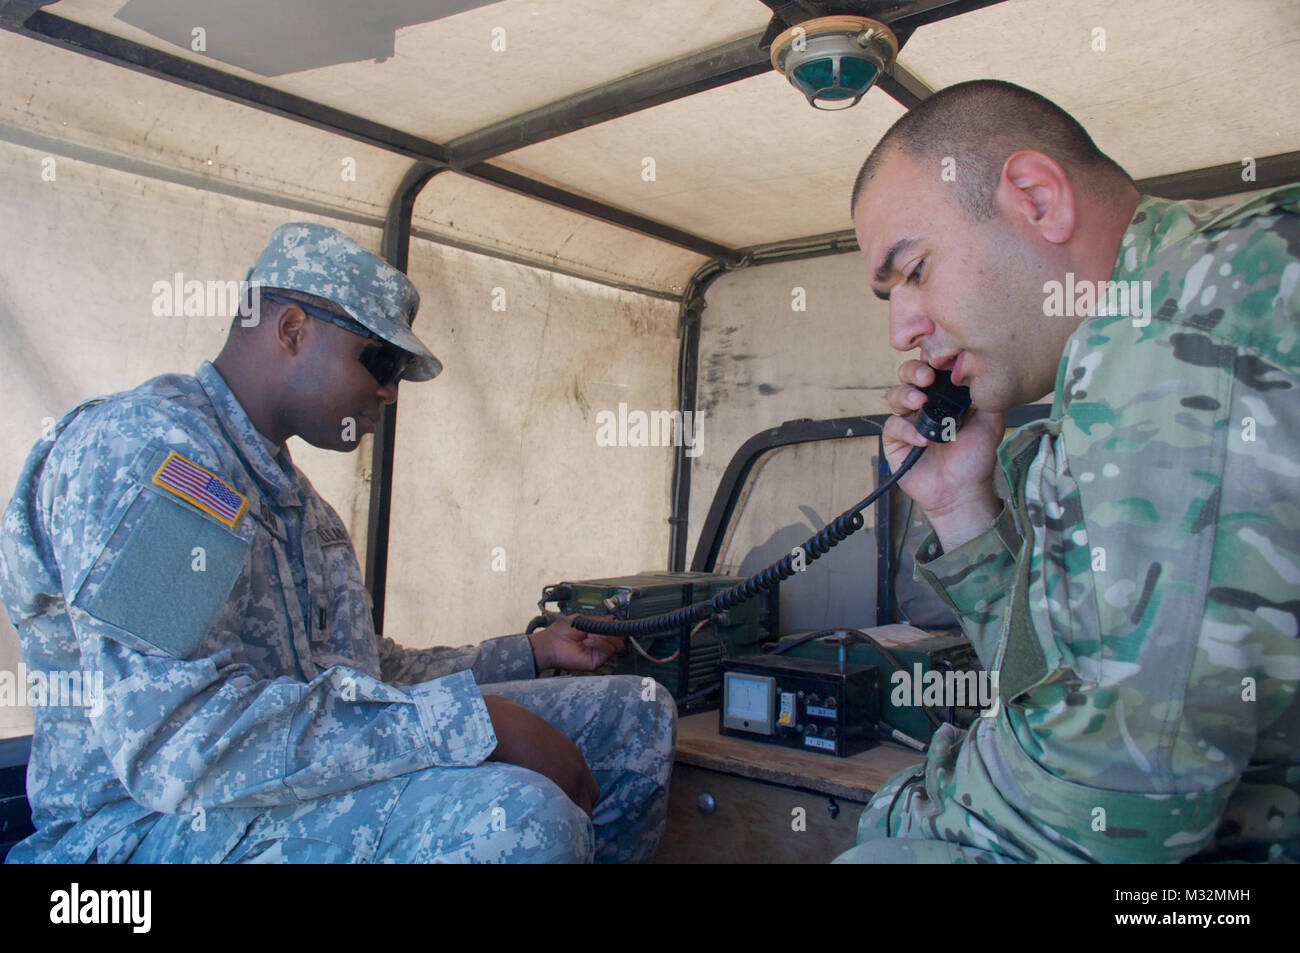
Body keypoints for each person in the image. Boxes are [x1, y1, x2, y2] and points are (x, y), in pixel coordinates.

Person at [0, 222, 676, 864]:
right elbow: (180, 741)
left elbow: (363, 679)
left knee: (632, 714)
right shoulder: (167, 462)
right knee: (518, 816)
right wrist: (471, 723)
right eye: (379, 359)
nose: (388, 389)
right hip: (140, 830)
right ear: (291, 328)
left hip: (271, 792)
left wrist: (527, 653)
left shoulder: (303, 511)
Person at [835, 80, 1298, 863]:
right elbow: (1066, 679)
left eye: (914, 270)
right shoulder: (1134, 333)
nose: (902, 328)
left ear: (1038, 199)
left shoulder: (1168, 343)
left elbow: (1105, 807)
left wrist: (903, 808)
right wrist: (960, 509)